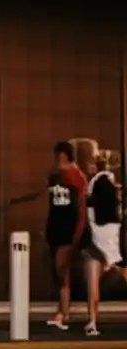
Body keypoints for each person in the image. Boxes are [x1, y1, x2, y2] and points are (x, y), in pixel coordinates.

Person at [45, 140, 88, 331]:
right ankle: (63, 310)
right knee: (60, 273)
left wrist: (77, 234)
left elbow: (81, 209)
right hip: (55, 229)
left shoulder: (76, 178)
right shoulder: (55, 177)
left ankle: (63, 313)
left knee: (63, 272)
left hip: (67, 231)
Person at [83, 151, 124, 336]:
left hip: (96, 234)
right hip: (111, 234)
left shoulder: (95, 184)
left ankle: (92, 322)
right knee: (120, 268)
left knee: (93, 282)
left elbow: (90, 208)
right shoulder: (111, 184)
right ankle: (91, 321)